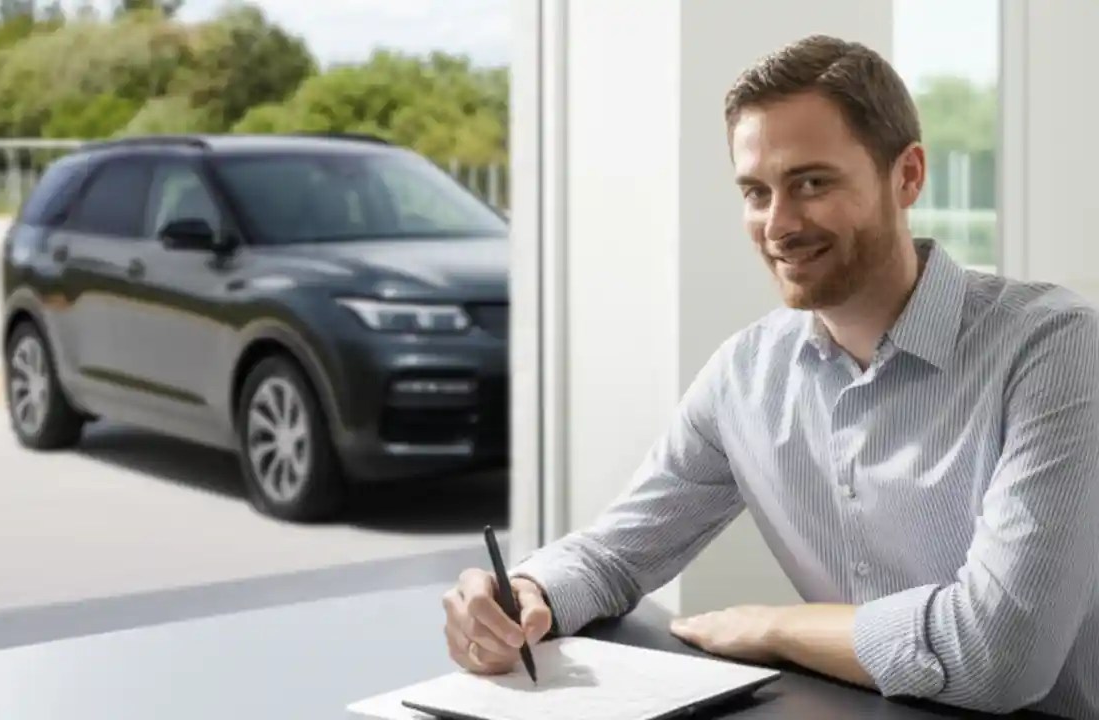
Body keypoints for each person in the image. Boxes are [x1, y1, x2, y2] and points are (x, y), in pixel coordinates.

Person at [441, 33, 1098, 720]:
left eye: (812, 183)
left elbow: (1000, 657)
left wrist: (776, 628)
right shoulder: (746, 375)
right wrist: (524, 593)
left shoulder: (1054, 347)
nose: (778, 224)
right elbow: (613, 556)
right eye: (756, 192)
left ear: (907, 176)